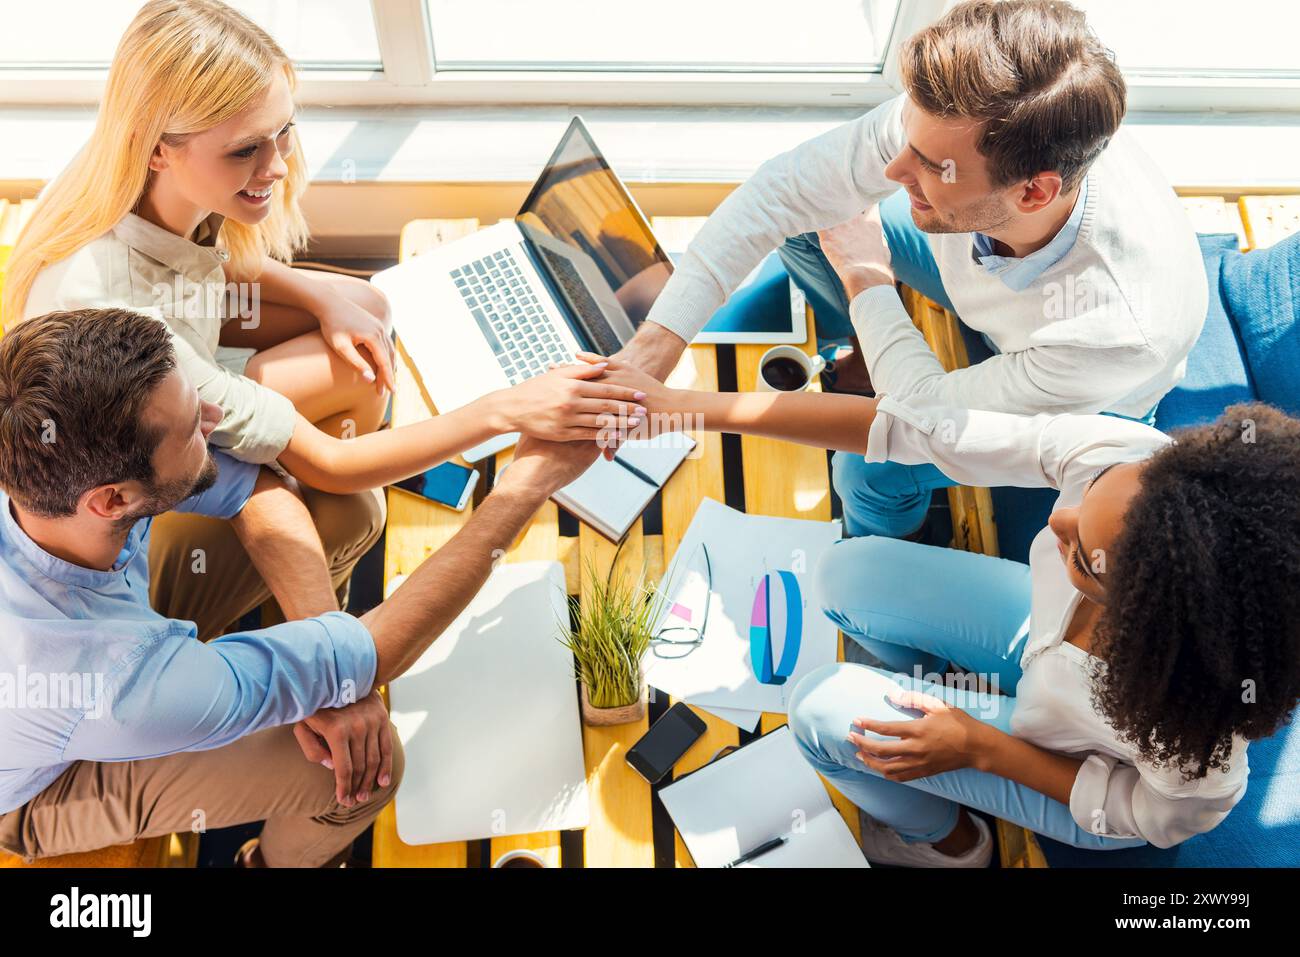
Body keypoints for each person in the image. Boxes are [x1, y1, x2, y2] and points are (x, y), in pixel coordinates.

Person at [2, 0, 646, 635]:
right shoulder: (119, 320)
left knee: (367, 309)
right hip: (155, 463)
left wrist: (323, 298)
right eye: (245, 150)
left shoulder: (128, 179)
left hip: (187, 355)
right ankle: (314, 598)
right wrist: (508, 408)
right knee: (351, 500)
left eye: (284, 132)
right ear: (158, 150)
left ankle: (370, 456)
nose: (277, 167)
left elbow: (198, 265)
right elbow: (324, 465)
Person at [590, 353, 1300, 865]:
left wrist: (980, 745)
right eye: (1087, 497)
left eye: (1084, 555)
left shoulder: (1194, 739)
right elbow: (911, 430)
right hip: (1036, 653)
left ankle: (952, 843)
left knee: (820, 709)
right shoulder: (1121, 454)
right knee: (843, 572)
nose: (1058, 524)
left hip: (1065, 762)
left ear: (1148, 617)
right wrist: (689, 408)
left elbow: (1143, 815)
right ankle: (938, 695)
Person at [0, 308, 597, 866]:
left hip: (114, 638)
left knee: (346, 512)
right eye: (190, 427)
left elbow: (253, 486)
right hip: (41, 781)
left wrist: (325, 677)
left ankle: (262, 675)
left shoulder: (52, 472)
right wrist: (524, 488)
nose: (214, 420)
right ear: (113, 501)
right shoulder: (116, 683)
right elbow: (380, 652)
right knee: (359, 768)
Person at [606, 0, 1208, 540]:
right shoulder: (964, 121)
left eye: (927, 167)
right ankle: (870, 355)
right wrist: (651, 350)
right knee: (816, 225)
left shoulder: (1116, 331)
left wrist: (869, 282)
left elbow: (923, 418)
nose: (893, 172)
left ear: (1033, 193)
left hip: (1069, 400)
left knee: (869, 471)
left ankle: (880, 550)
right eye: (905, 142)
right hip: (994, 300)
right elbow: (777, 193)